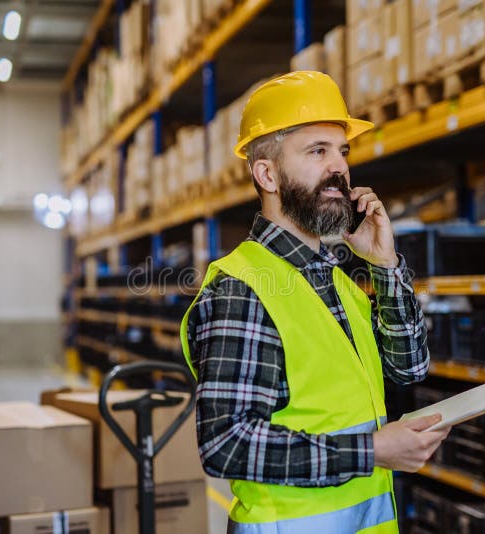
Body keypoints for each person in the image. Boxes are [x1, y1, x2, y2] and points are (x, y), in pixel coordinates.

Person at [179, 71, 449, 533]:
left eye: (342, 151)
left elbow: (409, 368)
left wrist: (384, 266)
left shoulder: (338, 279)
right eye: (317, 151)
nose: (339, 168)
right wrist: (374, 451)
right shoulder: (242, 288)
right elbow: (226, 444)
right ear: (266, 174)